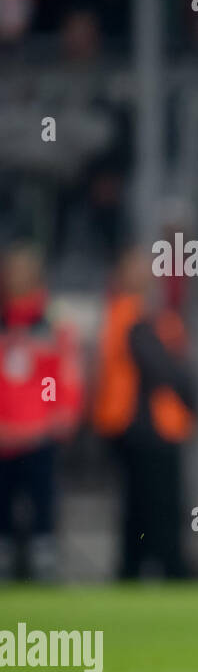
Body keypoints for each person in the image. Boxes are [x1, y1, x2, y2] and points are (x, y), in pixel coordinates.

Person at [91, 247, 197, 580]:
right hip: (145, 427)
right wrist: (190, 396)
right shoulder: (134, 317)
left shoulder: (134, 315)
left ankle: (135, 569)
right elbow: (162, 369)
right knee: (157, 508)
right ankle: (166, 569)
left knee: (140, 509)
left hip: (144, 425)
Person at [0, 243, 83, 581]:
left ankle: (43, 562)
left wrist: (60, 413)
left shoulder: (51, 320)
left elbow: (63, 373)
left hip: (39, 432)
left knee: (42, 504)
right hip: (3, 433)